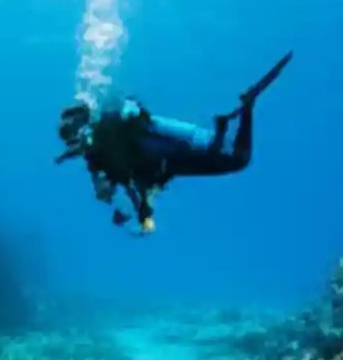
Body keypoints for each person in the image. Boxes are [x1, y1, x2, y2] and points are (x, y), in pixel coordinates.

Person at [55, 51, 293, 235]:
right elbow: (135, 185)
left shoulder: (102, 154)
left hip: (171, 156)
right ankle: (224, 129)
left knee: (239, 160)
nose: (101, 194)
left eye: (100, 192)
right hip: (168, 160)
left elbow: (133, 180)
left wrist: (140, 213)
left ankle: (242, 112)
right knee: (233, 159)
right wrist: (142, 215)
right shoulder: (101, 156)